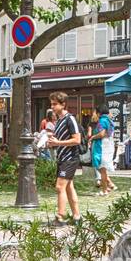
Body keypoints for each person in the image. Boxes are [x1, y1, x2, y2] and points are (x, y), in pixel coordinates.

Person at [47, 92, 81, 227]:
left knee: (60, 186)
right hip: (62, 158)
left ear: (63, 104)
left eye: (55, 104)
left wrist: (58, 143)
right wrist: (52, 142)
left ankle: (60, 217)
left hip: (70, 158)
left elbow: (77, 140)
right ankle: (77, 217)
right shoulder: (59, 120)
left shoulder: (70, 119)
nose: (52, 107)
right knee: (68, 187)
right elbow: (60, 140)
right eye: (51, 104)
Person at [91, 105, 115, 195]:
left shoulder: (102, 120)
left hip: (101, 146)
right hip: (108, 145)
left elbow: (101, 134)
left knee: (102, 169)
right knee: (103, 169)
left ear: (99, 112)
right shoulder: (109, 120)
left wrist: (93, 137)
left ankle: (104, 190)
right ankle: (107, 187)